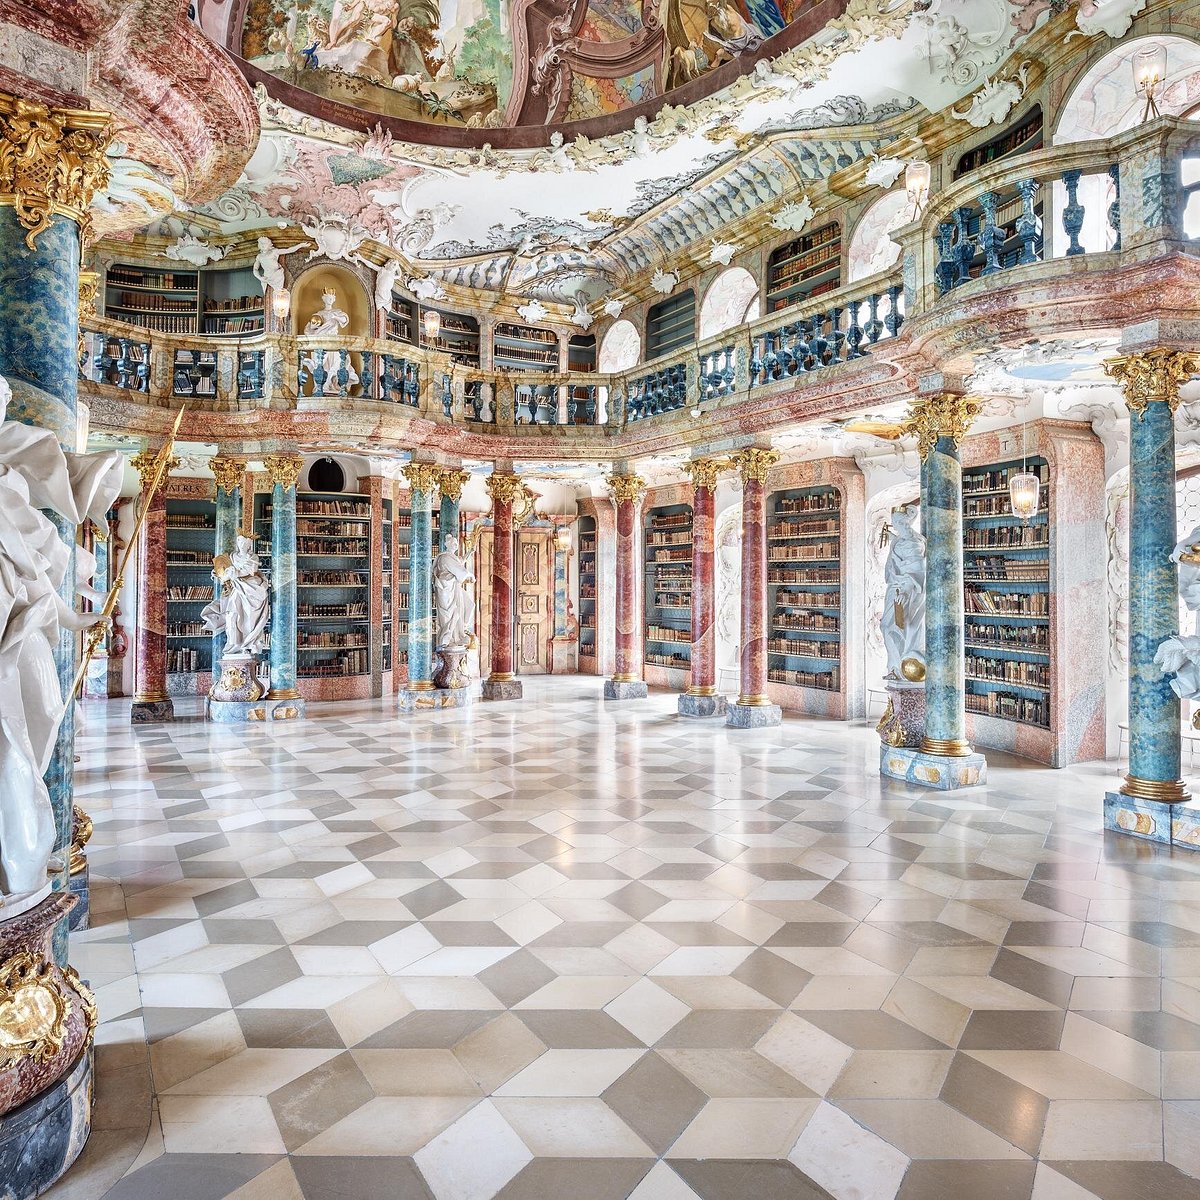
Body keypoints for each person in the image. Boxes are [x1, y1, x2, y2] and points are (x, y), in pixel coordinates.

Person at [0, 374, 122, 899]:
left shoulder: (11, 484)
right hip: (16, 619)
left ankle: (22, 864)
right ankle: (21, 867)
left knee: (37, 715)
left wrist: (72, 619)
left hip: (22, 622)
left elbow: (44, 458)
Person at [201, 534, 270, 657]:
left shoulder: (252, 557)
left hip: (250, 589)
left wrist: (235, 573)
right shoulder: (232, 556)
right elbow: (225, 570)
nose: (241, 544)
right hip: (235, 589)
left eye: (244, 542)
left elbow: (250, 571)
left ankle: (246, 643)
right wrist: (218, 573)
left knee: (248, 618)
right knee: (231, 616)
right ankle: (233, 644)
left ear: (249, 543)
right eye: (239, 541)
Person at [881, 504, 926, 680]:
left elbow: (916, 569)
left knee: (892, 626)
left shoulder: (913, 542)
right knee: (892, 626)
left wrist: (905, 591)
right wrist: (893, 538)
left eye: (898, 523)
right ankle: (895, 666)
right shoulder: (903, 539)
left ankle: (901, 666)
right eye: (895, 523)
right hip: (896, 588)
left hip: (906, 592)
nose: (896, 526)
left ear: (905, 523)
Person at [301, 288, 360, 392]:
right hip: (321, 342)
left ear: (334, 299)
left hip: (333, 342)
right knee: (321, 365)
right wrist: (314, 327)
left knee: (335, 364)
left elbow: (345, 320)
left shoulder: (337, 312)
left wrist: (335, 317)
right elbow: (309, 329)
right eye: (328, 297)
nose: (330, 299)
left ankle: (332, 387)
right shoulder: (319, 314)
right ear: (324, 298)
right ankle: (321, 387)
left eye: (332, 298)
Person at [434, 534, 475, 650]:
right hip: (446, 589)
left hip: (453, 587)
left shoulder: (452, 557)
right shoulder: (446, 558)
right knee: (449, 615)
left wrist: (470, 553)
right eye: (453, 543)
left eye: (457, 543)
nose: (456, 545)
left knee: (469, 604)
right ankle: (448, 639)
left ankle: (461, 632)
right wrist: (470, 576)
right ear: (447, 545)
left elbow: (460, 562)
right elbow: (459, 570)